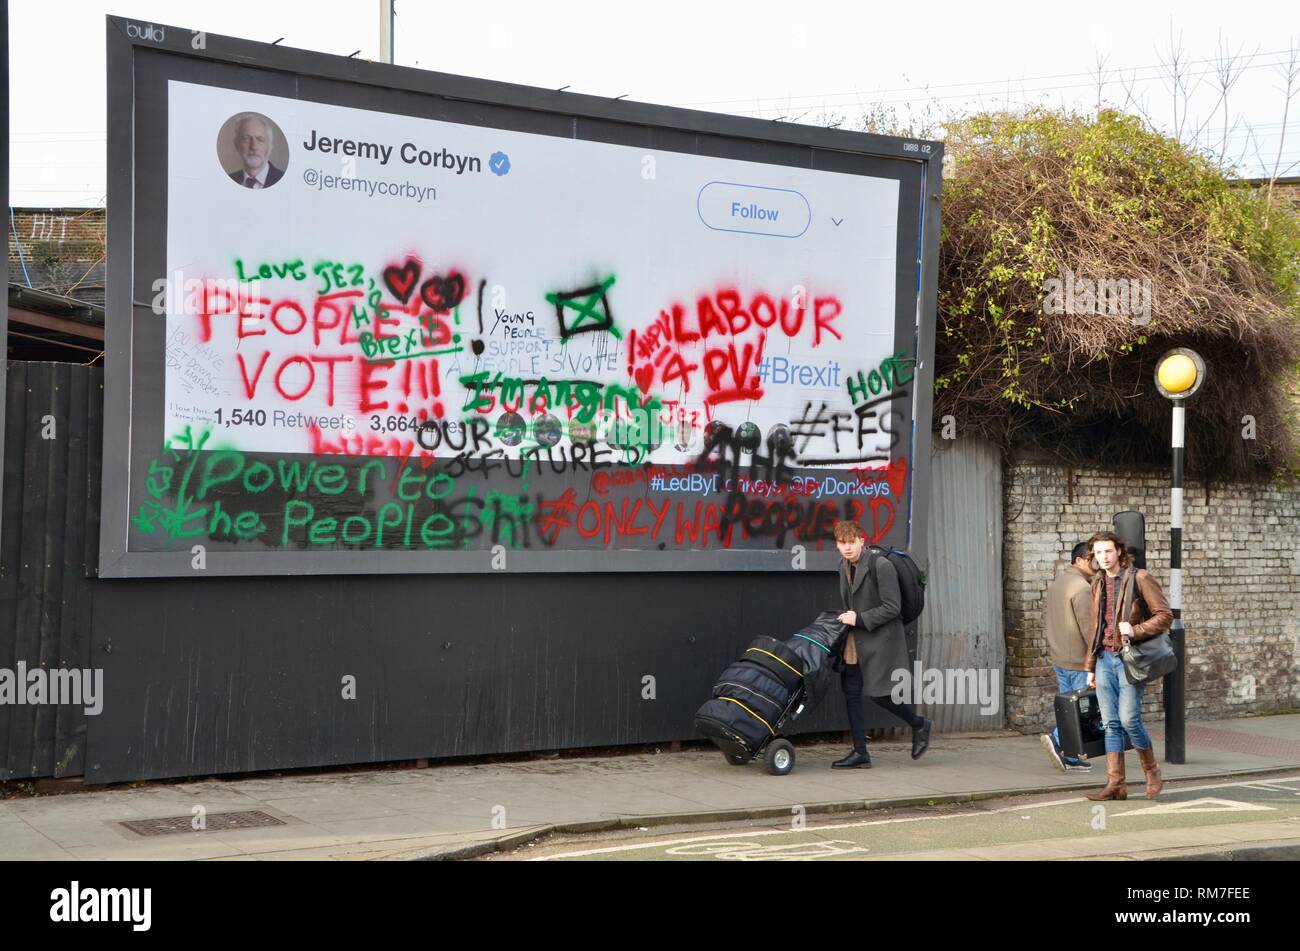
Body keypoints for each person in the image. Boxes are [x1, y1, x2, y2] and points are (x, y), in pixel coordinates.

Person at [831, 520, 932, 768]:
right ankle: (860, 753)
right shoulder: (842, 566)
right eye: (842, 543)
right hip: (855, 637)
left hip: (880, 639)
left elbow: (892, 607)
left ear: (861, 541)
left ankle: (919, 724)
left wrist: (860, 618)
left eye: (851, 542)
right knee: (851, 691)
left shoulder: (881, 565)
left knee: (879, 695)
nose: (847, 548)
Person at [1084, 531, 1173, 801]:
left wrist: (1135, 630)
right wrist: (1089, 666)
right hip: (1103, 659)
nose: (1103, 557)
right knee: (1110, 723)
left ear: (1119, 552)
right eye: (1098, 553)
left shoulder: (1140, 578)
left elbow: (1165, 616)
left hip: (1128, 659)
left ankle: (1152, 770)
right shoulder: (1098, 581)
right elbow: (1095, 626)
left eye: (1108, 551)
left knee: (1128, 719)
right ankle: (1116, 785)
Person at [1041, 542, 1096, 771]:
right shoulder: (1081, 587)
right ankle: (1056, 739)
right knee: (1077, 711)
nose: (1099, 563)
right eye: (1094, 558)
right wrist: (1095, 658)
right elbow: (1088, 628)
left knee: (1069, 707)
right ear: (1081, 559)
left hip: (1060, 657)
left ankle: (1071, 757)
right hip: (1078, 660)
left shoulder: (1059, 583)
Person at [228, 114, 284, 189]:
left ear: (269, 148)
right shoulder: (228, 180)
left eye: (260, 140)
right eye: (246, 139)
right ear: (237, 146)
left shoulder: (286, 180)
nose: (253, 147)